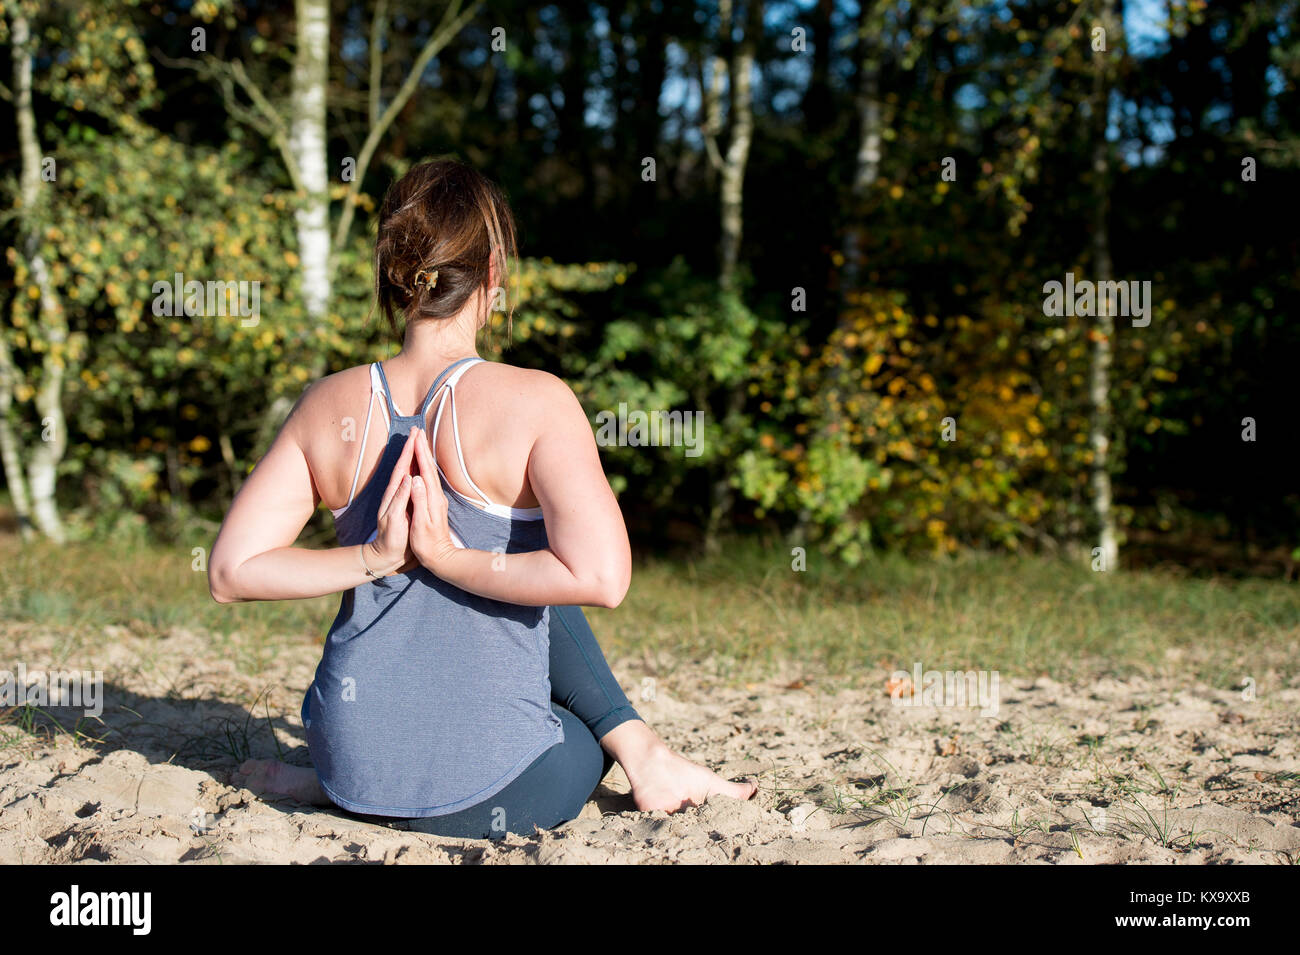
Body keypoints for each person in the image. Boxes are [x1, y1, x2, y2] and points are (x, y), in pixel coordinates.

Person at [208, 158, 755, 838]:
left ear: (392, 273)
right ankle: (647, 756)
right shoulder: (537, 401)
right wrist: (449, 556)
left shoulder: (327, 405)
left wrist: (374, 557)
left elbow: (231, 571)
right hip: (486, 790)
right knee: (582, 739)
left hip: (351, 758)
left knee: (527, 565)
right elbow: (602, 578)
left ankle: (338, 786)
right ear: (494, 271)